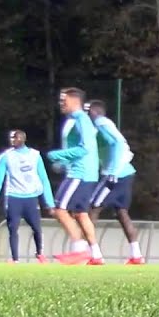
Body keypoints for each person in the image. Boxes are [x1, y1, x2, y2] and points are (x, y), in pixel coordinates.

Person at [46, 87, 103, 265]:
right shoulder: (77, 119)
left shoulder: (80, 119)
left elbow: (84, 148)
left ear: (74, 100)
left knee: (60, 209)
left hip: (80, 173)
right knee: (80, 214)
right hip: (88, 173)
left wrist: (58, 156)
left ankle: (79, 250)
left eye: (64, 100)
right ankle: (96, 255)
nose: (61, 103)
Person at [85, 99, 144, 265]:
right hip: (126, 173)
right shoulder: (100, 127)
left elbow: (117, 142)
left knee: (93, 208)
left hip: (115, 175)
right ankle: (136, 255)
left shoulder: (100, 122)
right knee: (121, 212)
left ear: (94, 112)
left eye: (87, 112)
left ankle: (89, 253)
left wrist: (113, 171)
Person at [0, 129, 55, 264]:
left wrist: (50, 203)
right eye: (11, 138)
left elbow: (44, 179)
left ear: (22, 139)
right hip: (13, 197)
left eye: (14, 137)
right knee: (13, 228)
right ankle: (15, 258)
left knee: (36, 228)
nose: (12, 140)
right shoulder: (6, 157)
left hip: (31, 197)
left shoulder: (35, 156)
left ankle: (40, 253)